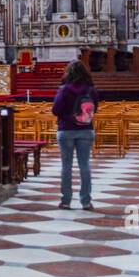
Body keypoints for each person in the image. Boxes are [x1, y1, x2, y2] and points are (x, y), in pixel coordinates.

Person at [51, 59, 98, 210]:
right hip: (85, 128)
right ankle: (86, 201)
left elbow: (56, 110)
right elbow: (94, 108)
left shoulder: (64, 89)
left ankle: (66, 201)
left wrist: (68, 114)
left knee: (66, 166)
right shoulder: (91, 89)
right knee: (84, 165)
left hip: (66, 129)